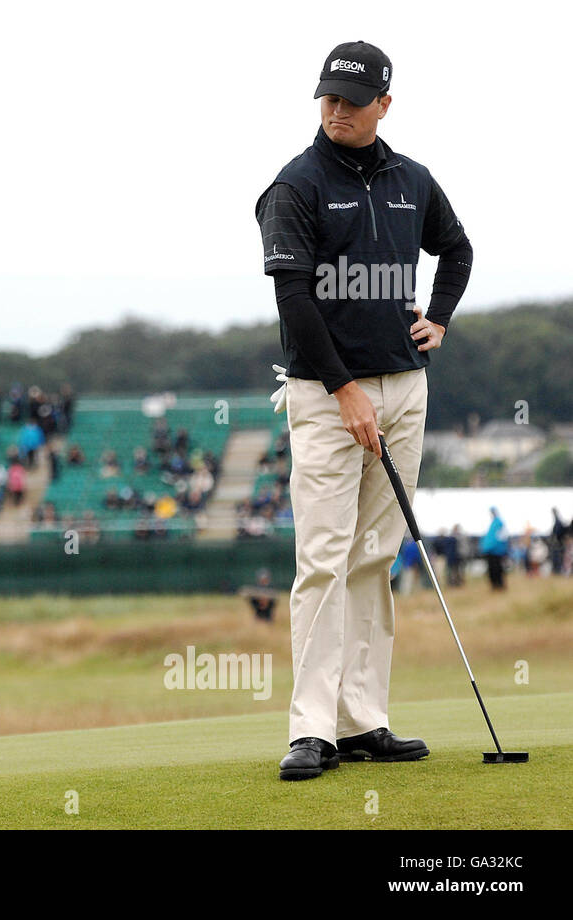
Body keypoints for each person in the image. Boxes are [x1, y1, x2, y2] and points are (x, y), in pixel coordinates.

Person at [256, 41, 473, 781]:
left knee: (373, 557)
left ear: (385, 103)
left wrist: (438, 317)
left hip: (405, 388)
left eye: (352, 100)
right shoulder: (295, 185)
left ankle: (362, 721)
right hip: (324, 395)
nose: (337, 110)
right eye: (328, 98)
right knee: (322, 556)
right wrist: (344, 388)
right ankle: (311, 730)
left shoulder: (413, 180)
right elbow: (293, 300)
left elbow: (458, 248)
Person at [480, 507, 509, 590]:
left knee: (497, 569)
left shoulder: (499, 523)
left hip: (497, 551)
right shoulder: (493, 523)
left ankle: (499, 586)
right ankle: (495, 586)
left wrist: (499, 548)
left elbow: (502, 537)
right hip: (490, 551)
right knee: (492, 570)